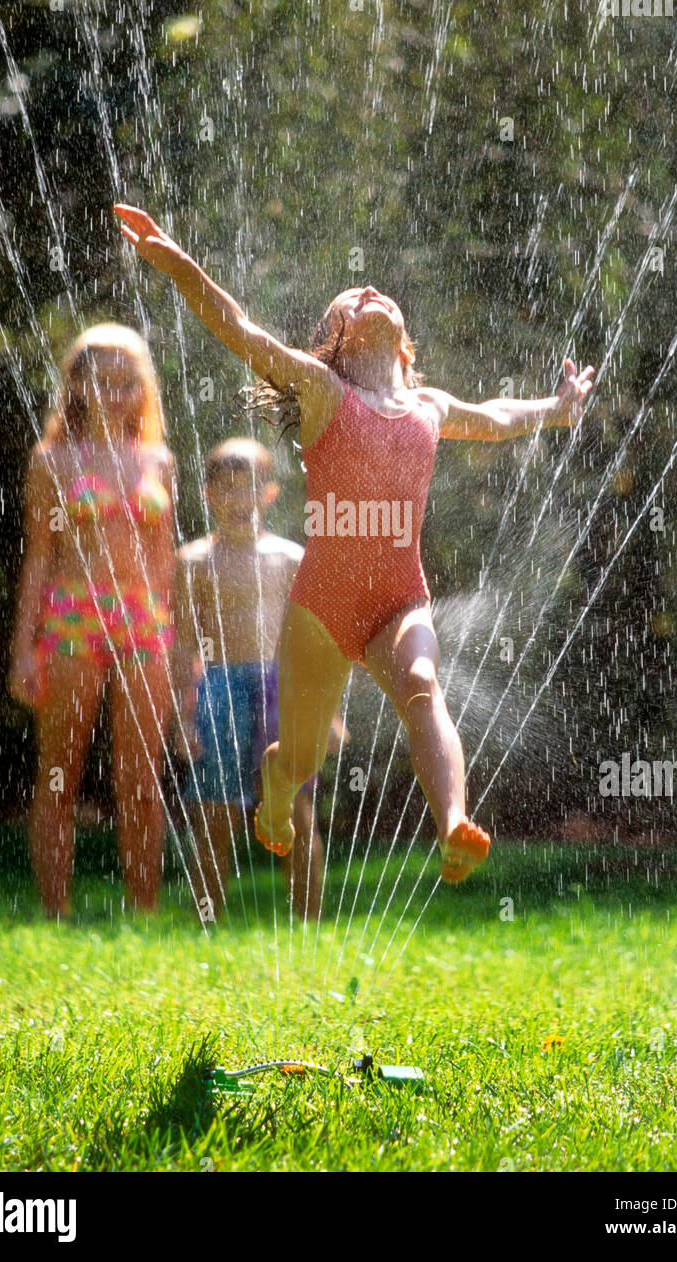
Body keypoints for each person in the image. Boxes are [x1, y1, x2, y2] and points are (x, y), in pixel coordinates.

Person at [114, 204, 594, 883]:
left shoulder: (429, 406)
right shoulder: (321, 391)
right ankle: (276, 789)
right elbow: (240, 329)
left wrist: (555, 409)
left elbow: (495, 416)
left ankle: (453, 822)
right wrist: (179, 264)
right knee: (303, 756)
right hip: (321, 610)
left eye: (379, 295)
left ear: (405, 347)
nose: (368, 293)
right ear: (331, 344)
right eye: (350, 300)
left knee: (424, 687)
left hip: (401, 599)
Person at [8, 323, 175, 916]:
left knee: (140, 778)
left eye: (126, 382)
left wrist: (176, 644)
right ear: (75, 385)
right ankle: (56, 913)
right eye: (100, 380)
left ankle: (145, 913)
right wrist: (24, 649)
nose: (113, 393)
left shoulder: (158, 457)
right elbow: (39, 556)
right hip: (73, 616)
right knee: (61, 772)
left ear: (142, 388)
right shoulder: (51, 459)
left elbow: (163, 561)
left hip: (142, 622)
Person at [173, 438, 342, 920]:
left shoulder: (290, 558)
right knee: (215, 811)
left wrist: (326, 712)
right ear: (207, 494)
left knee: (296, 803)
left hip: (282, 689)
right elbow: (184, 645)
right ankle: (205, 921)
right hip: (220, 687)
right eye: (226, 488)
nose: (238, 498)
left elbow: (314, 642)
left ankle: (309, 923)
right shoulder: (193, 562)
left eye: (248, 487)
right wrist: (183, 716)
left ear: (268, 493)